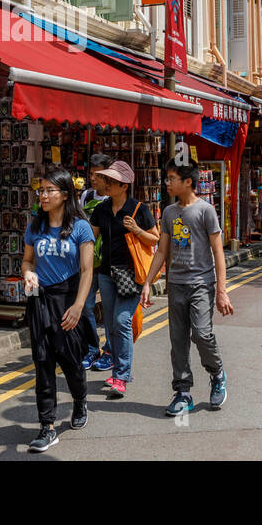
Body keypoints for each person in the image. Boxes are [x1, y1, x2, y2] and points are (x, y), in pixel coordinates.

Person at [141, 161, 232, 415]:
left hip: (202, 283)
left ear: (188, 182)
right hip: (176, 285)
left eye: (171, 178)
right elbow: (162, 250)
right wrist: (148, 282)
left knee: (202, 334)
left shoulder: (205, 211)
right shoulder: (169, 212)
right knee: (178, 340)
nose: (167, 183)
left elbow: (218, 252)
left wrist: (222, 291)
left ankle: (217, 373)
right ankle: (182, 392)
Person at [22, 168, 96, 453]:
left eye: (49, 190)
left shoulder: (80, 227)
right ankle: (47, 425)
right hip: (39, 299)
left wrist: (78, 306)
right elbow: (27, 261)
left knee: (70, 359)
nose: (42, 195)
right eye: (40, 190)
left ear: (65, 195)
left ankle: (79, 400)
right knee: (42, 360)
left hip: (68, 299)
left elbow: (88, 270)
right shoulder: (35, 225)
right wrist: (28, 274)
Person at [89, 160, 158, 399]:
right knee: (111, 326)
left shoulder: (139, 209)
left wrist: (137, 230)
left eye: (110, 181)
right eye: (105, 180)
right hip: (107, 275)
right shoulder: (102, 209)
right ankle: (119, 369)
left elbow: (155, 239)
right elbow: (91, 238)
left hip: (131, 276)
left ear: (124, 185)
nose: (105, 184)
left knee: (121, 321)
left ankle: (121, 376)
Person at [79, 154, 115, 371]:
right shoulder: (86, 195)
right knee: (85, 307)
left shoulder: (113, 200)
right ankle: (92, 348)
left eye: (97, 174)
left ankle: (110, 350)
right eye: (91, 173)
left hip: (108, 263)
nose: (93, 178)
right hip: (88, 261)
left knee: (110, 311)